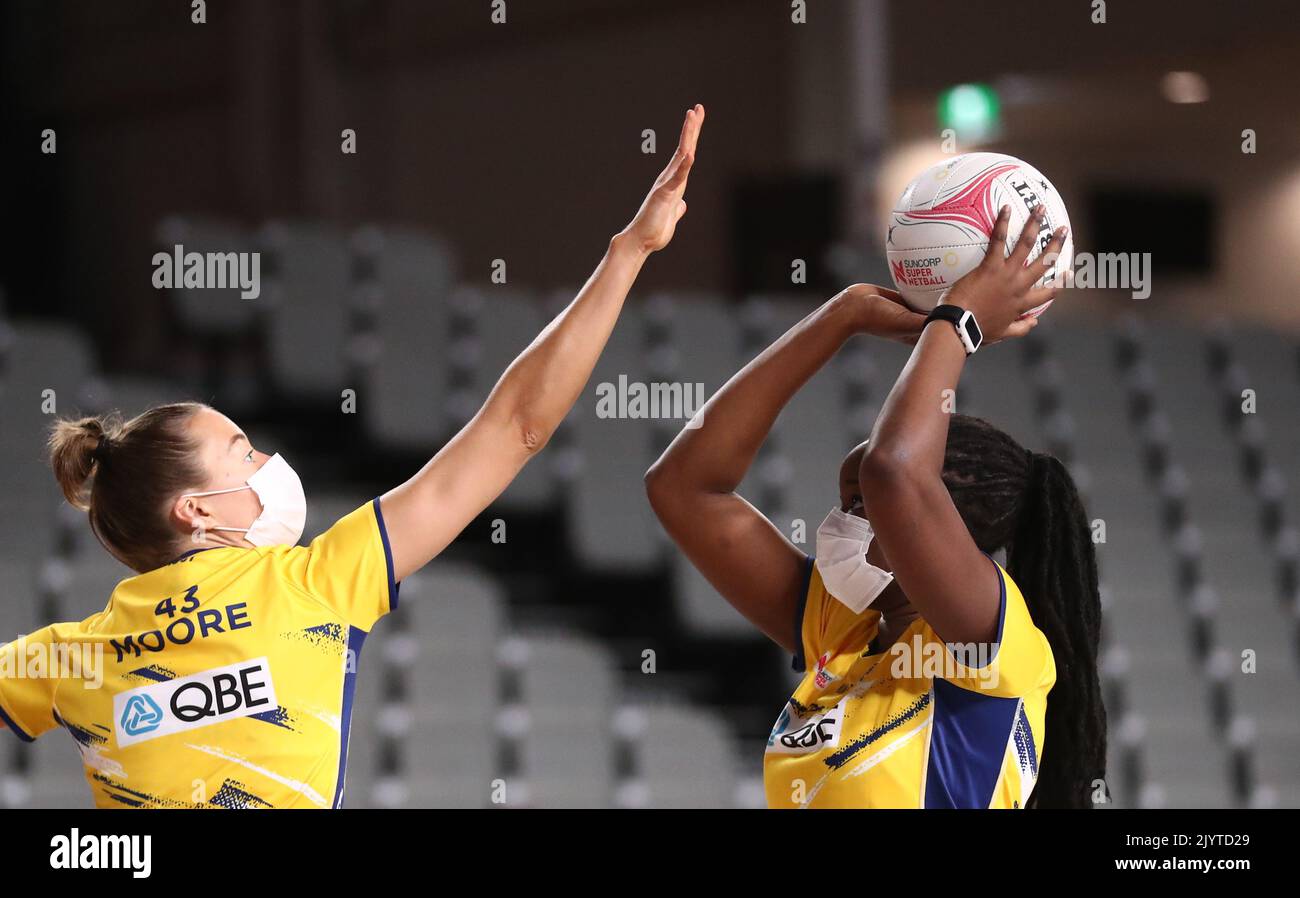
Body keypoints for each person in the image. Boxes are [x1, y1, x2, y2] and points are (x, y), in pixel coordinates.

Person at [0, 106, 706, 809]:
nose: (270, 462)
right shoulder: (318, 584)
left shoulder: (69, 656)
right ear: (194, 510)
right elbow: (517, 425)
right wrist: (627, 255)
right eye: (243, 454)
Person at [646, 205, 1106, 808]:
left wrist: (960, 321)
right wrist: (844, 315)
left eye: (861, 504)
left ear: (946, 530)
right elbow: (684, 487)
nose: (841, 520)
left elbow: (892, 469)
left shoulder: (989, 644)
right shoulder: (844, 630)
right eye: (846, 499)